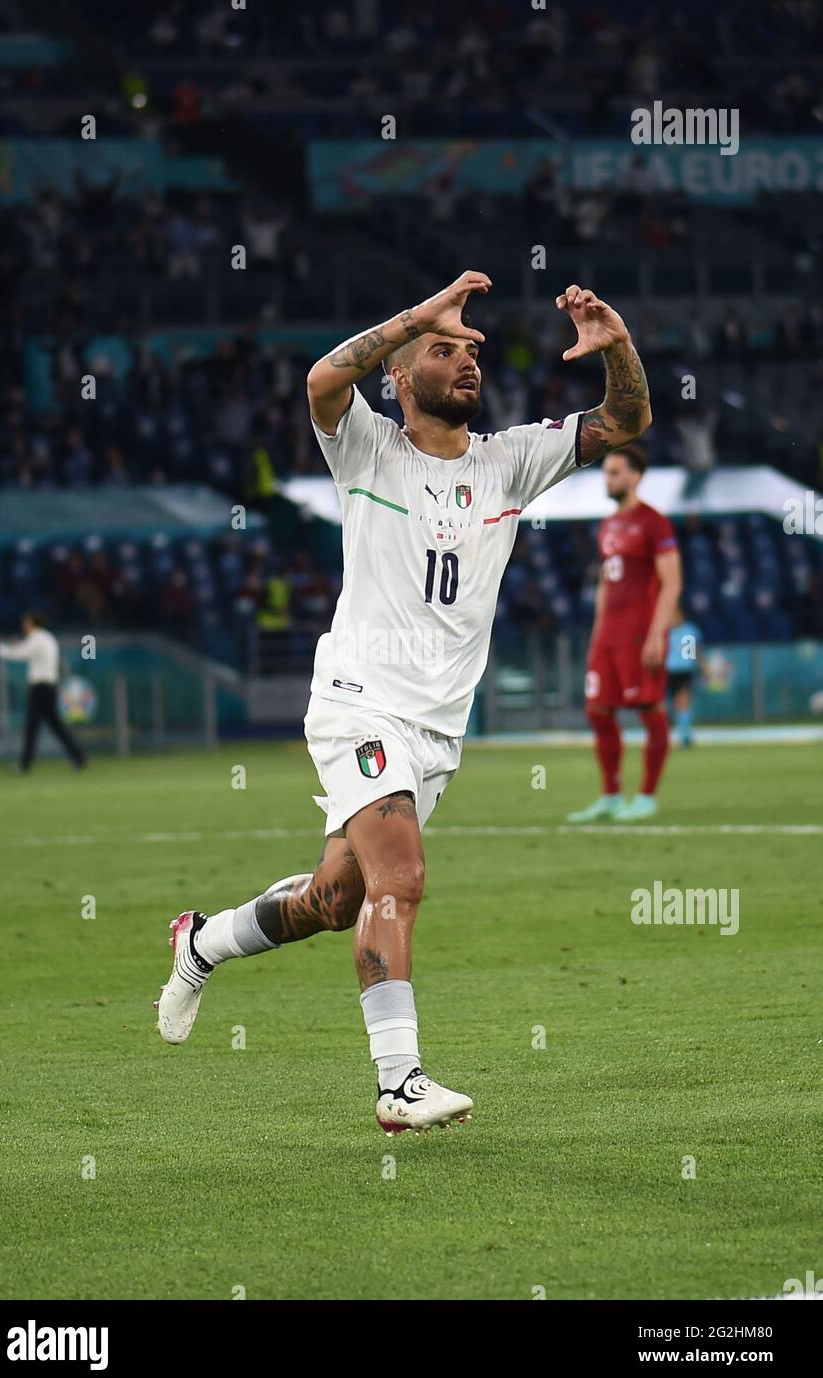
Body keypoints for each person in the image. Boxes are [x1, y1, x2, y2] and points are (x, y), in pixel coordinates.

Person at [155, 273, 652, 1132]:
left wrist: (619, 348)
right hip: (360, 701)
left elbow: (627, 424)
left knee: (337, 898)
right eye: (443, 349)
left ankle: (202, 940)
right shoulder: (367, 448)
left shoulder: (509, 459)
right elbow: (320, 381)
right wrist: (413, 316)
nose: (465, 361)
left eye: (470, 352)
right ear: (398, 371)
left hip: (434, 732)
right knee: (403, 877)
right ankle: (400, 1082)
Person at [567, 447, 682, 824]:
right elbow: (605, 584)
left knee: (651, 710)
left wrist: (656, 635)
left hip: (639, 633)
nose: (608, 478)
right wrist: (596, 638)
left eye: (616, 472)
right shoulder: (608, 525)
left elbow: (671, 582)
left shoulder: (655, 523)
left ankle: (647, 796)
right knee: (598, 711)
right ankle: (611, 795)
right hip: (609, 638)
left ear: (635, 476)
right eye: (606, 472)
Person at [0, 612, 86, 772]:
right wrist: (20, 645)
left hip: (40, 687)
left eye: (26, 622)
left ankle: (25, 764)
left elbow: (20, 653)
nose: (24, 625)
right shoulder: (49, 638)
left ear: (32, 623)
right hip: (50, 686)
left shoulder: (36, 638)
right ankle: (78, 757)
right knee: (56, 726)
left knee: (32, 727)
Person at [666, 602, 704, 747]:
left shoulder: (690, 631)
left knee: (683, 703)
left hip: (684, 672)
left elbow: (696, 653)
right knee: (670, 705)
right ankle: (671, 735)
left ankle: (685, 736)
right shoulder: (665, 632)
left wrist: (702, 668)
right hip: (668, 672)